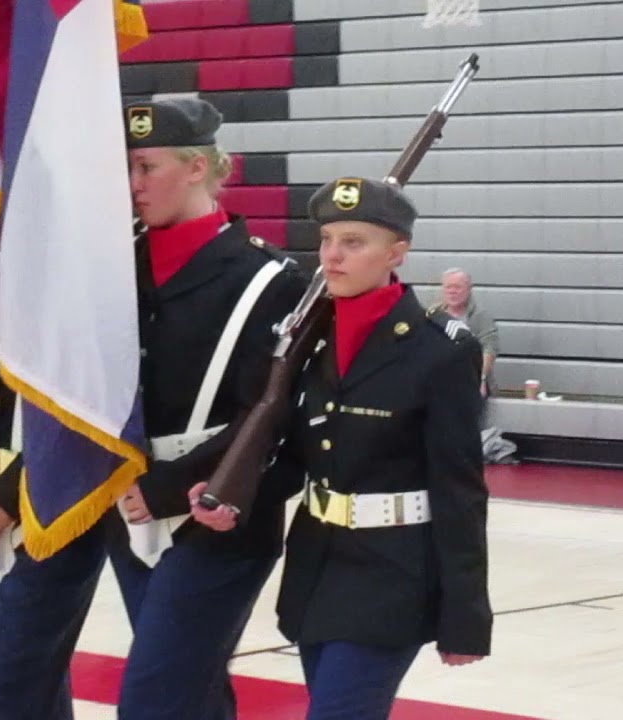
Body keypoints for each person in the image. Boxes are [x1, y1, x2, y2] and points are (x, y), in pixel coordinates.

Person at [191, 177, 492, 720]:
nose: (332, 254)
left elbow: (460, 491)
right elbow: (301, 457)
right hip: (319, 565)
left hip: (392, 575)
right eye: (327, 239)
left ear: (396, 252)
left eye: (354, 241)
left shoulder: (440, 354)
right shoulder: (309, 340)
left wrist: (465, 615)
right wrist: (233, 491)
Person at [109, 97, 309, 720]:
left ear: (197, 168)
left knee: (153, 698)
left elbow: (266, 415)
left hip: (220, 511)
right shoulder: (116, 266)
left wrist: (167, 487)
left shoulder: (268, 276)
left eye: (148, 167)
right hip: (130, 507)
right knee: (191, 694)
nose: (134, 185)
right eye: (129, 169)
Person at [0, 248, 82, 720]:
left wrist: (10, 496)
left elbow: (76, 403)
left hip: (46, 503)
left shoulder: (63, 273)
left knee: (2, 695)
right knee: (29, 687)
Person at [436, 268, 499, 399]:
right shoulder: (434, 315)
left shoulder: (480, 316)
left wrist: (481, 379)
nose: (452, 291)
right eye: (448, 287)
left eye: (457, 287)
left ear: (469, 289)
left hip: (471, 384)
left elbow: (490, 348)